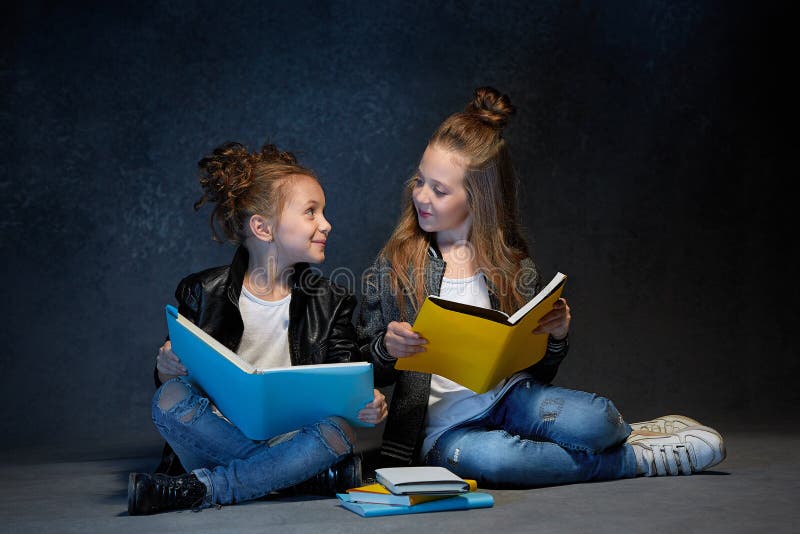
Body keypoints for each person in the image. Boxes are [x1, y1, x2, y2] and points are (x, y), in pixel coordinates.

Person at [357, 87, 725, 488]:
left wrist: (556, 336)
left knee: (598, 420)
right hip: (445, 431)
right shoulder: (395, 265)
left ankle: (623, 434)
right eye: (420, 181)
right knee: (499, 462)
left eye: (440, 190)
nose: (422, 197)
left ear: (478, 198)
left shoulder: (512, 266)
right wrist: (388, 348)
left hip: (511, 398)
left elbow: (540, 371)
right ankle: (635, 459)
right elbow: (363, 364)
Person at [128, 141, 388, 515]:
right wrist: (166, 366)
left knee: (338, 429)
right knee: (168, 399)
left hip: (292, 437)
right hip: (218, 435)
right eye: (311, 212)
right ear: (263, 228)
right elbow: (173, 378)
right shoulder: (203, 290)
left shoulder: (333, 301)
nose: (326, 223)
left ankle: (203, 487)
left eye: (323, 212)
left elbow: (345, 380)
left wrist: (366, 403)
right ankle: (296, 476)